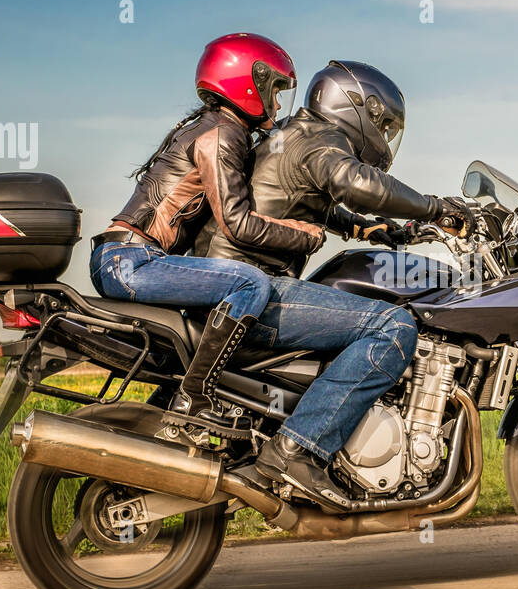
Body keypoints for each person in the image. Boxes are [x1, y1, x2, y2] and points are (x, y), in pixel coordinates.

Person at [192, 60, 474, 510]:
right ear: (355, 107)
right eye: (382, 124)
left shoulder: (294, 136)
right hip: (256, 293)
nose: (383, 136)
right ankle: (296, 449)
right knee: (393, 327)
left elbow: (310, 200)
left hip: (233, 290)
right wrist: (437, 210)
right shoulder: (321, 141)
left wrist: (370, 230)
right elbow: (353, 181)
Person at [89, 33, 324, 422]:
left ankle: (161, 423)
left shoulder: (213, 127)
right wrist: (306, 235)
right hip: (132, 260)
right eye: (275, 89)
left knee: (191, 334)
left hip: (122, 256)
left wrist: (361, 225)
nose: (279, 102)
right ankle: (195, 396)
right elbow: (237, 224)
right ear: (249, 82)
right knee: (249, 284)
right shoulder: (222, 135)